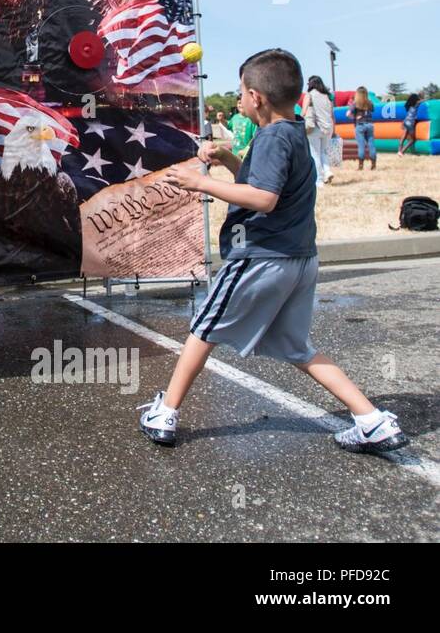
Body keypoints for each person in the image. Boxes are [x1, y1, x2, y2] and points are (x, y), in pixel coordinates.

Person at [147, 49, 408, 454]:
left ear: (257, 97)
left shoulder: (271, 138)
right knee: (297, 346)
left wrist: (199, 184)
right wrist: (228, 158)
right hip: (299, 258)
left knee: (203, 327)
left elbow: (263, 198)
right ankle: (372, 421)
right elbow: (258, 183)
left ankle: (165, 411)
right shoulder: (292, 132)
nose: (239, 99)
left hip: (261, 256)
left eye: (240, 93)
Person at [300, 75, 335, 186]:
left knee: (315, 154)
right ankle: (327, 171)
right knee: (324, 152)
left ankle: (319, 180)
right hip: (328, 127)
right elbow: (332, 114)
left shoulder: (309, 95)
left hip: (314, 128)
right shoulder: (327, 96)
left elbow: (304, 112)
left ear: (310, 84)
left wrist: (299, 120)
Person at [350, 86, 376, 170]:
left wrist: (354, 117)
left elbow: (349, 114)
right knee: (371, 144)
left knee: (361, 146)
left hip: (360, 125)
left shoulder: (355, 103)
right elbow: (372, 110)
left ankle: (361, 166)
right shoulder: (370, 102)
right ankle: (373, 165)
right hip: (370, 124)